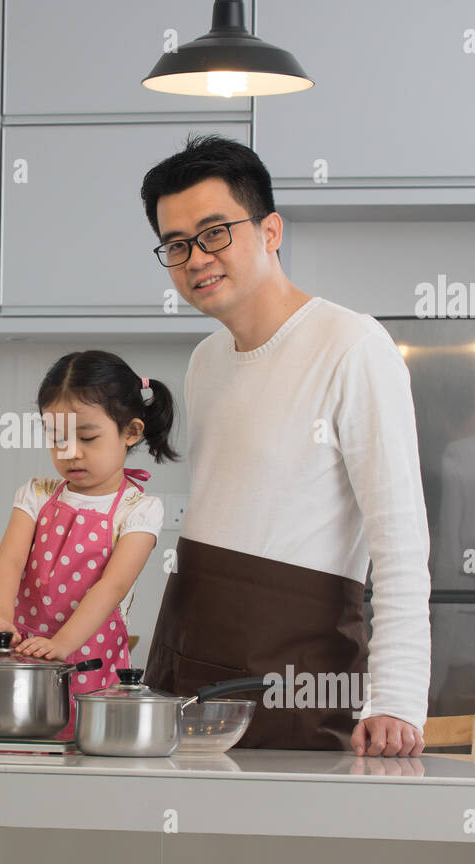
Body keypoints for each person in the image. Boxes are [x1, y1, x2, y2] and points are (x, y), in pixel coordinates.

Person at [138, 134, 431, 756]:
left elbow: (399, 540)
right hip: (190, 654)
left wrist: (397, 698)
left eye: (215, 232)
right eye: (176, 244)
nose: (195, 257)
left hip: (299, 673)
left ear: (271, 230)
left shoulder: (353, 345)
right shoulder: (205, 360)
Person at [0, 351, 173, 732]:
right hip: (24, 667)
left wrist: (64, 644)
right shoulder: (35, 494)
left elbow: (112, 587)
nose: (70, 452)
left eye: (87, 437)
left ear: (131, 432)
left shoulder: (139, 510)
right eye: (57, 438)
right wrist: (0, 617)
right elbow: (8, 563)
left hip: (92, 669)